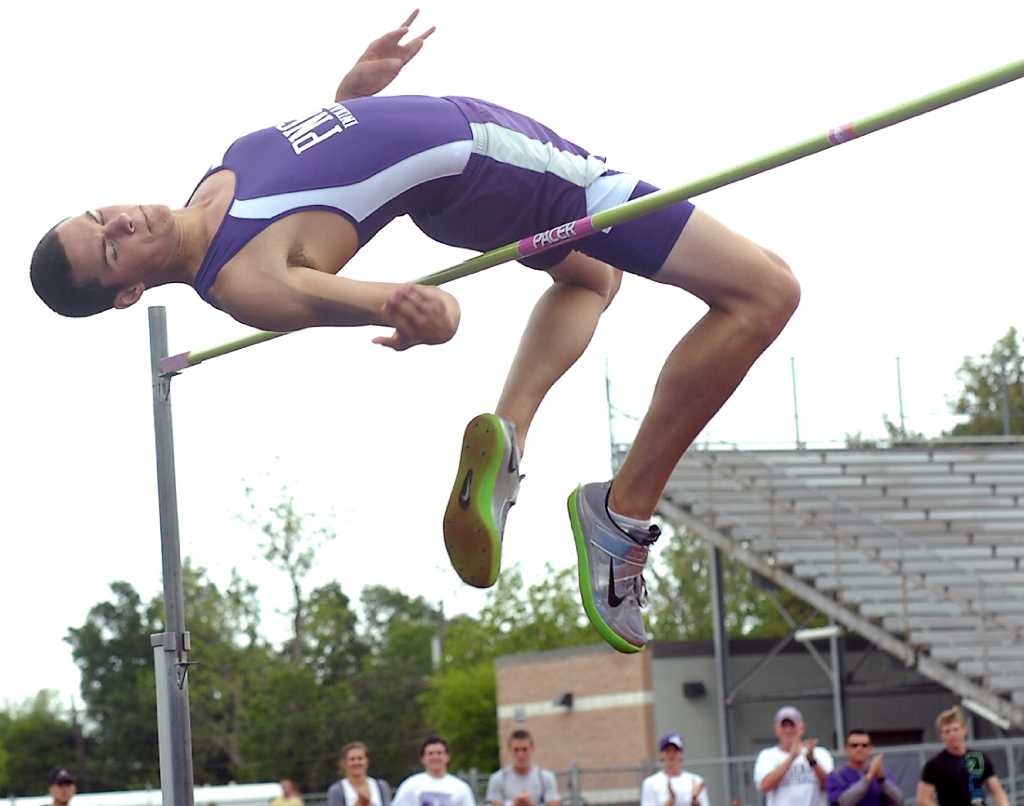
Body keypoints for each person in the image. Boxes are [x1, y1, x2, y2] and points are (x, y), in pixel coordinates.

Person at [29, 11, 799, 654]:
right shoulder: (246, 284)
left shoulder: (209, 189)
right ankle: (621, 518)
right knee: (765, 292)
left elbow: (327, 189)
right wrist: (426, 319)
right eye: (110, 247)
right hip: (494, 160)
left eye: (102, 216)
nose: (121, 221)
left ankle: (510, 438)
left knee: (593, 278)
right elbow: (398, 302)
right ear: (129, 289)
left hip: (461, 176)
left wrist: (352, 97)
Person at [917, 706, 1008, 806]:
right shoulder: (934, 765)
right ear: (941, 735)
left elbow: (997, 790)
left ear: (964, 730)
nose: (952, 734)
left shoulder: (978, 758)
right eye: (947, 731)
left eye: (955, 729)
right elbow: (923, 799)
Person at [754, 707, 834, 806]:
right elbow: (765, 786)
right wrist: (791, 757)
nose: (788, 730)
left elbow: (829, 785)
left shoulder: (820, 753)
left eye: (792, 725)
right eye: (784, 726)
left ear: (802, 727)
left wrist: (813, 762)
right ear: (776, 729)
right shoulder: (767, 755)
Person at [391, 735, 476, 806]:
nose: (435, 757)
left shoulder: (461, 788)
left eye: (439, 753)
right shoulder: (410, 785)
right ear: (423, 759)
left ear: (447, 757)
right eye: (430, 753)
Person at [826, 729, 903, 806]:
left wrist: (882, 780)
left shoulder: (882, 773)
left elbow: (899, 800)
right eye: (854, 745)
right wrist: (869, 777)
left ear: (870, 748)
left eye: (864, 745)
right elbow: (843, 802)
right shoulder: (836, 776)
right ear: (846, 749)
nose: (859, 749)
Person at [486, 729, 560, 806]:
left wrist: (530, 804)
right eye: (516, 750)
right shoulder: (498, 779)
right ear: (509, 750)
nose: (520, 755)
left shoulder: (545, 778)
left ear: (532, 749)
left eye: (525, 749)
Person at [640, 732, 709, 806]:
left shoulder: (695, 780)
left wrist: (694, 801)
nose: (671, 754)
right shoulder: (650, 783)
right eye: (667, 750)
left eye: (675, 750)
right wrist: (671, 800)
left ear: (681, 754)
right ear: (661, 754)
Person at [328, 741, 394, 806]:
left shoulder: (381, 786)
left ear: (367, 761)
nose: (356, 762)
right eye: (352, 759)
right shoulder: (337, 790)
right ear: (344, 763)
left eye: (360, 758)